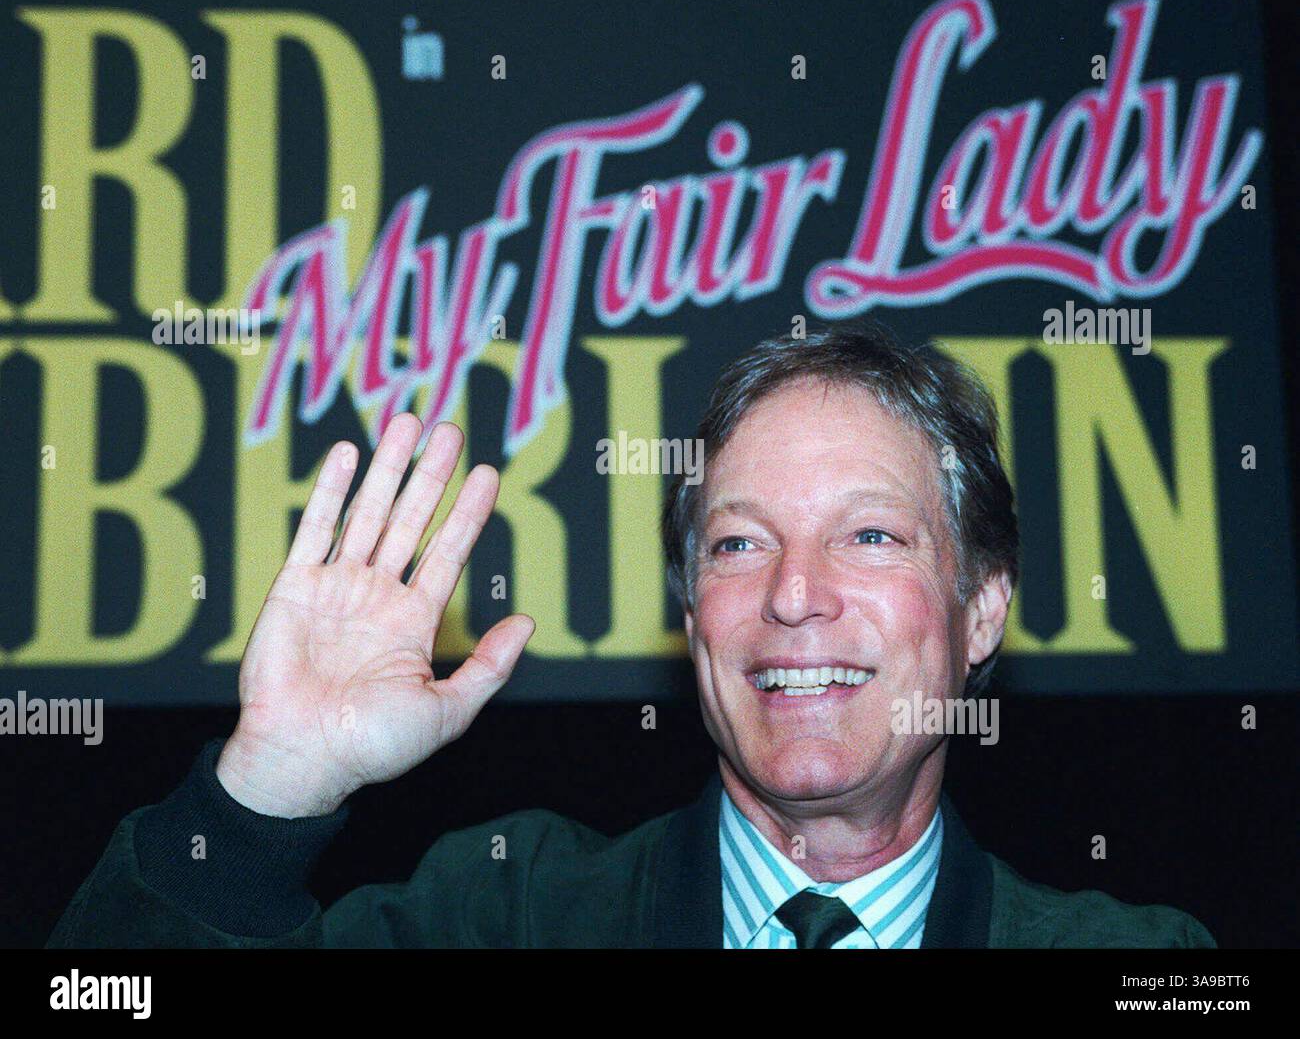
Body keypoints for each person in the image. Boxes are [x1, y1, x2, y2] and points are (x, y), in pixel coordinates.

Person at [48, 325, 1214, 948]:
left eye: (868, 536)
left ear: (982, 608)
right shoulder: (497, 915)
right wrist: (263, 793)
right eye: (737, 544)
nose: (793, 596)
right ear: (689, 610)